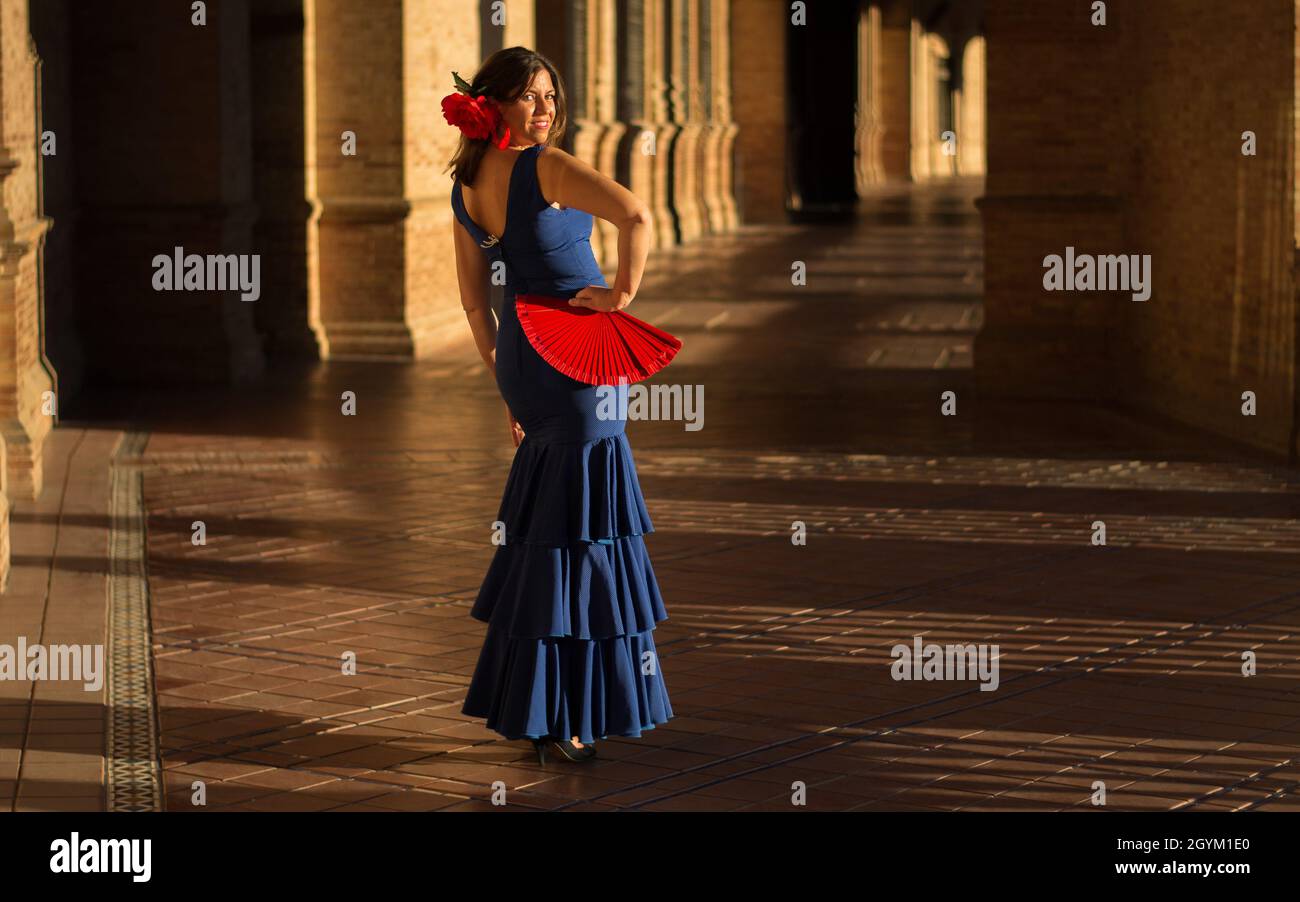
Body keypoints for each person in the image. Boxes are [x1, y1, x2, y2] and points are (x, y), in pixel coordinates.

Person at [444, 47, 674, 765]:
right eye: (529, 96)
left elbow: (475, 306)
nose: (545, 109)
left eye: (550, 95)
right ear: (493, 105)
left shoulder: (466, 183)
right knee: (587, 531)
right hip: (575, 357)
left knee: (547, 530)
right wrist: (620, 296)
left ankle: (541, 707)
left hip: (521, 355)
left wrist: (506, 384)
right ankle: (574, 716)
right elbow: (636, 215)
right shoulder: (546, 166)